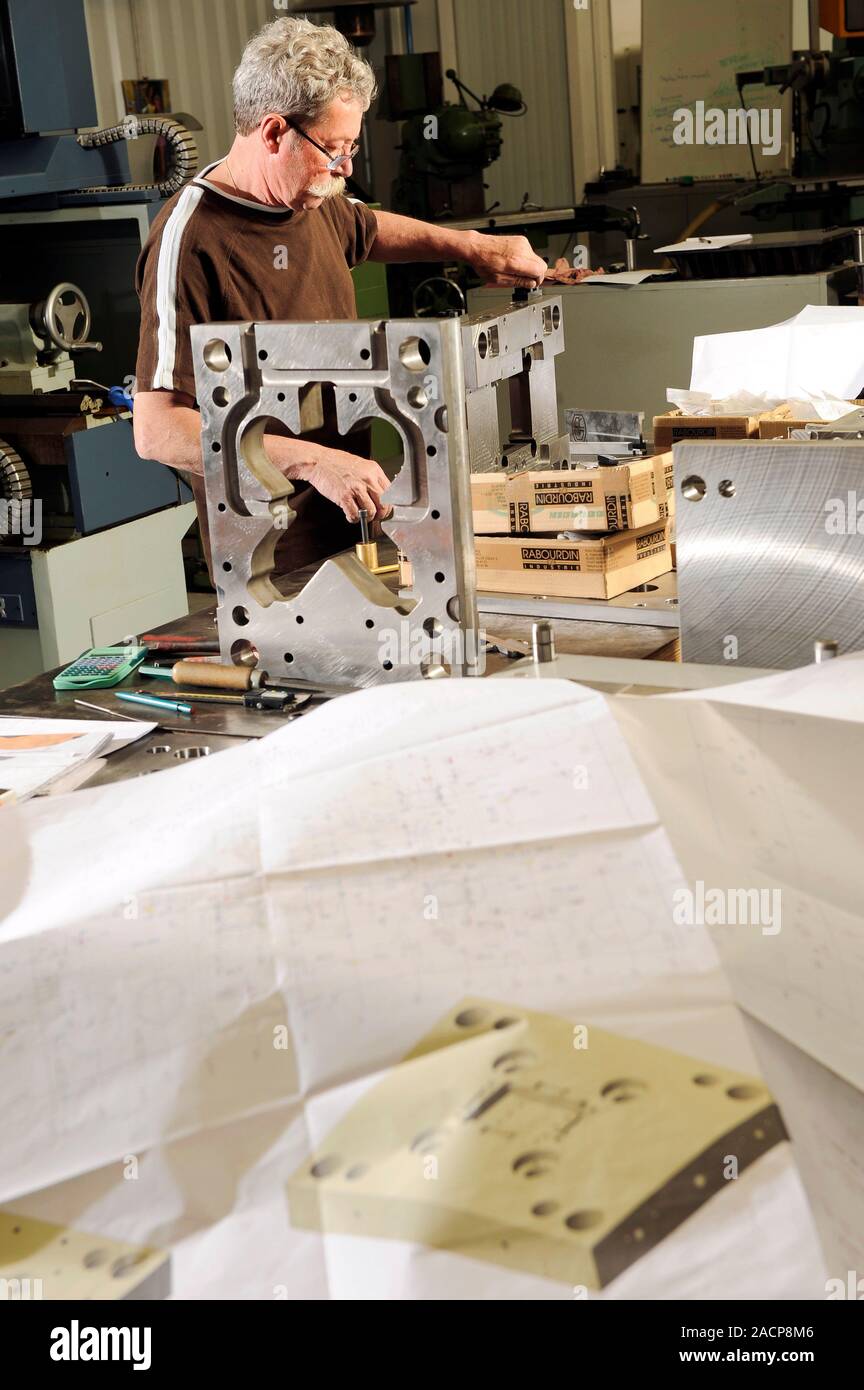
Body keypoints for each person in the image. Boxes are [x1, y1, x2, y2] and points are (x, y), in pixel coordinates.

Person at [133, 14, 549, 577]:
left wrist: (478, 248)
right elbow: (158, 433)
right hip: (274, 557)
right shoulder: (191, 239)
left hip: (356, 519)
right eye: (334, 149)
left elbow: (370, 228)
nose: (344, 171)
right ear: (275, 132)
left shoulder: (311, 196)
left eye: (350, 149)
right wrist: (311, 460)